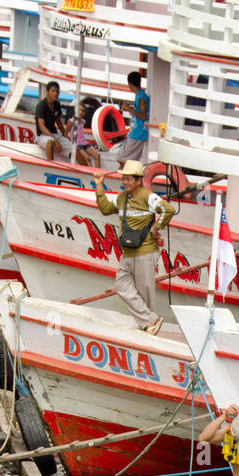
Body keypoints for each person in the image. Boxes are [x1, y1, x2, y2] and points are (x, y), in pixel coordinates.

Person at [92, 162, 174, 335]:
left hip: (145, 251)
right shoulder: (122, 197)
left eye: (128, 179)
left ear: (138, 180)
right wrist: (99, 186)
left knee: (145, 294)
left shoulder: (148, 197)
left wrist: (156, 228)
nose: (125, 182)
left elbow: (168, 210)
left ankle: (148, 326)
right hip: (128, 252)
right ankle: (149, 321)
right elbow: (106, 209)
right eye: (124, 178)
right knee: (121, 285)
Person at [114, 71, 150, 166]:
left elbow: (143, 116)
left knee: (121, 158)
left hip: (138, 133)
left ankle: (126, 176)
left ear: (130, 84)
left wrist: (129, 109)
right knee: (126, 160)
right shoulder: (139, 95)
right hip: (136, 133)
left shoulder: (141, 97)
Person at [34, 81, 71, 162]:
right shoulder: (41, 106)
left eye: (57, 91)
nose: (55, 93)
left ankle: (84, 170)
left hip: (55, 133)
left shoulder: (57, 104)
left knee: (73, 148)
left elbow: (58, 121)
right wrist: (55, 140)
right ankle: (51, 166)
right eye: (53, 91)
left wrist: (64, 134)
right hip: (43, 135)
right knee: (50, 142)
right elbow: (42, 127)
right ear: (47, 92)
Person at [67, 96, 100, 169]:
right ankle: (91, 172)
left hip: (83, 142)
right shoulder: (71, 121)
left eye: (83, 111)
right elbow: (66, 133)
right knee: (87, 158)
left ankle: (98, 172)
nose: (81, 112)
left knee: (97, 155)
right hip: (77, 144)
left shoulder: (83, 121)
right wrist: (71, 143)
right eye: (79, 110)